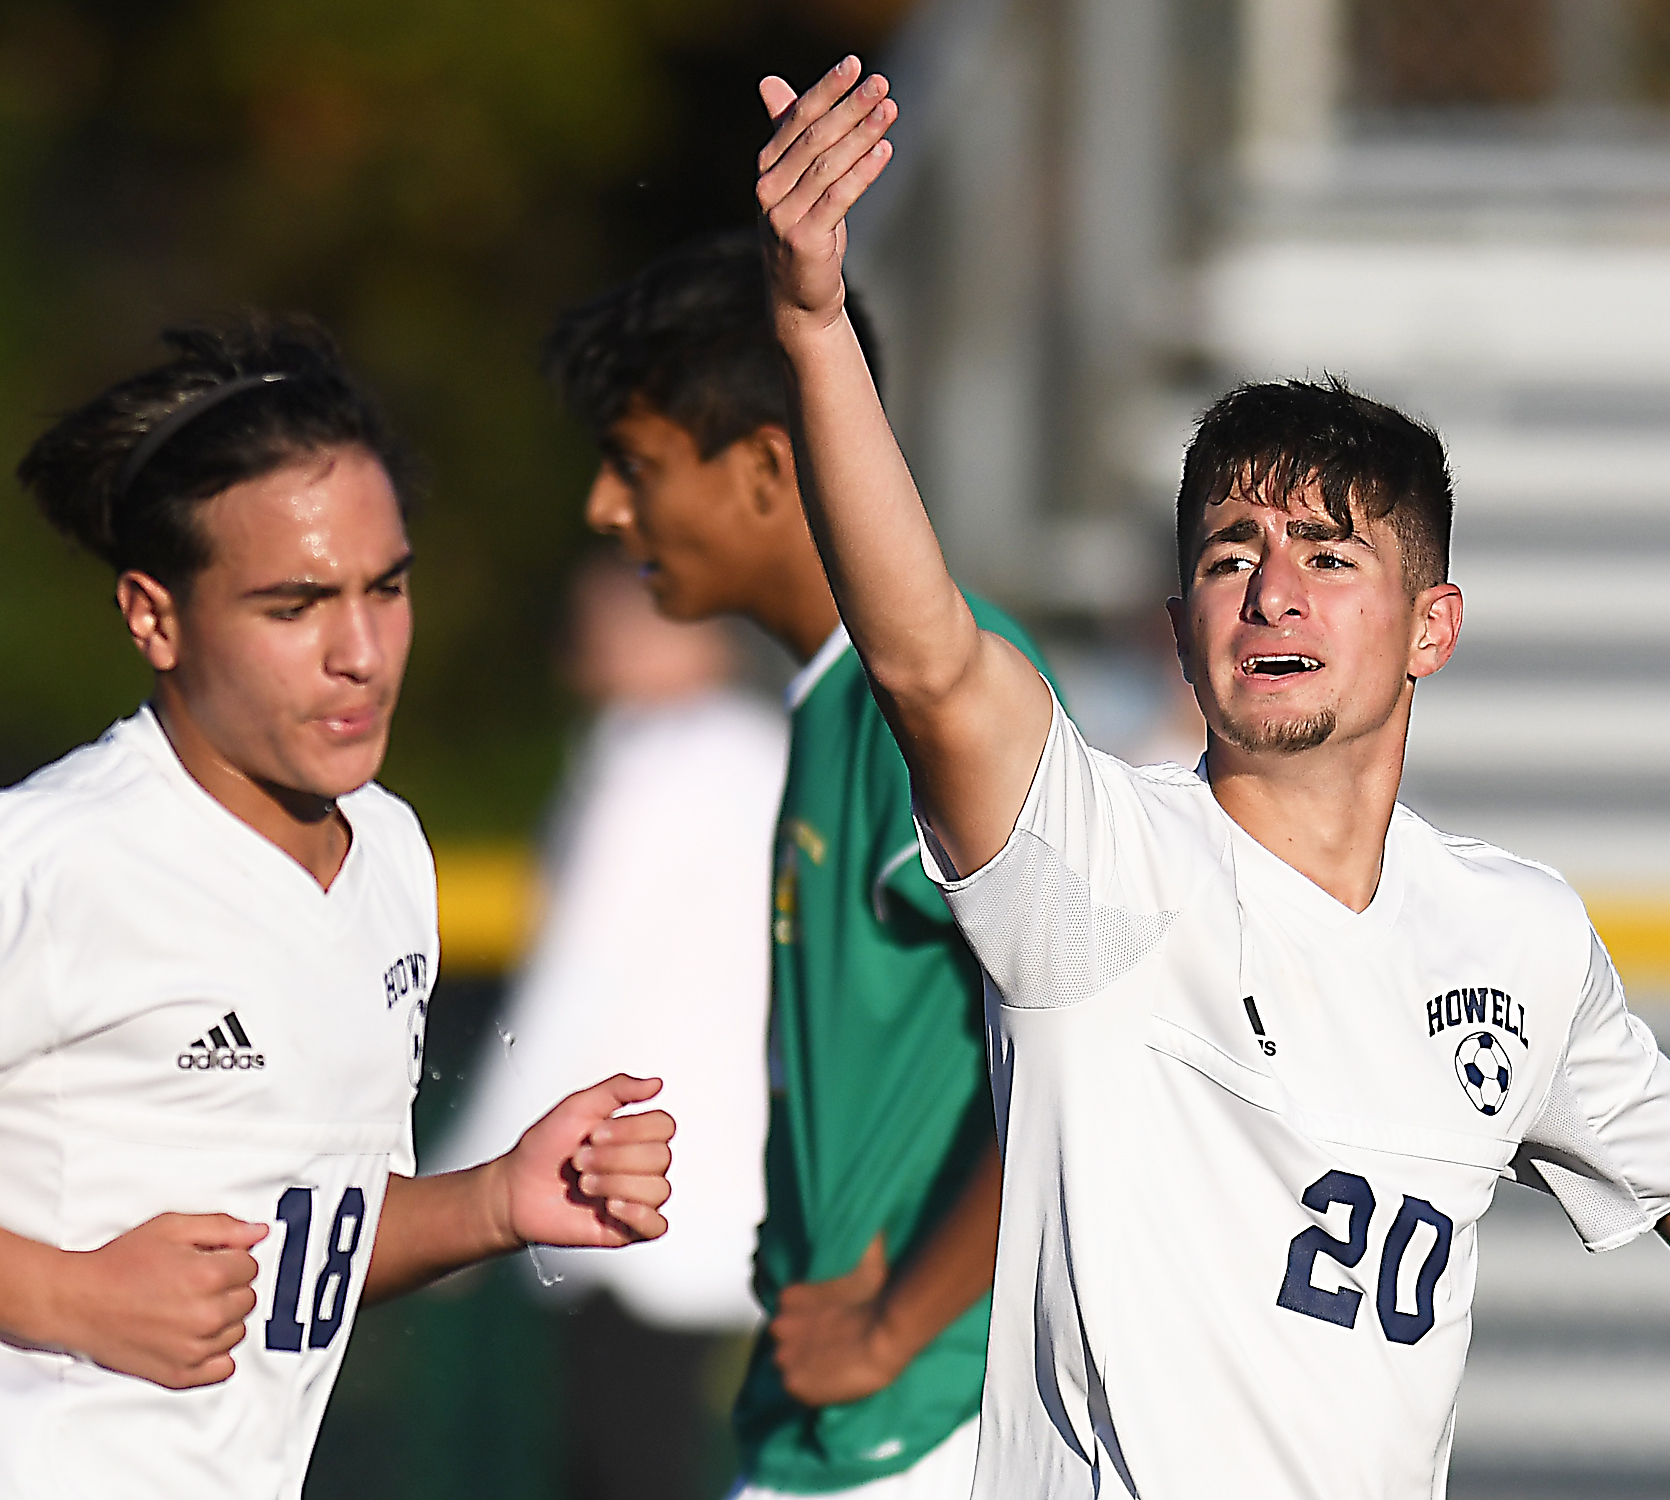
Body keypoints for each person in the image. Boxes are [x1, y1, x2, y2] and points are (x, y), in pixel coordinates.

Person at [750, 58, 1670, 1500]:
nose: (1272, 595)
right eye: (1227, 561)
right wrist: (816, 325)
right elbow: (931, 662)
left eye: (1329, 559)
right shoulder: (1092, 861)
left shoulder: (1512, 935)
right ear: (1179, 639)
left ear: (1430, 630)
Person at [0, 316, 677, 1500]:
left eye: (387, 587)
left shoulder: (392, 855)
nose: (359, 652)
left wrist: (495, 1200)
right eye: (295, 604)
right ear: (154, 617)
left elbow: (306, 1238)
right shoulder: (58, 858)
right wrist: (67, 1297)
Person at [543, 229, 1059, 1499]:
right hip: (840, 1434)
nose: (606, 509)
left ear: (771, 467)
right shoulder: (828, 702)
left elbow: (1096, 1041)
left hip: (922, 1431)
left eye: (637, 464)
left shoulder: (931, 702)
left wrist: (893, 1330)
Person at [438, 552, 785, 1498]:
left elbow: (576, 984)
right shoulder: (765, 752)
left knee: (621, 1468)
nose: (592, 634)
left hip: (626, 1197)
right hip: (729, 1192)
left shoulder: (651, 759)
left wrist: (453, 1192)